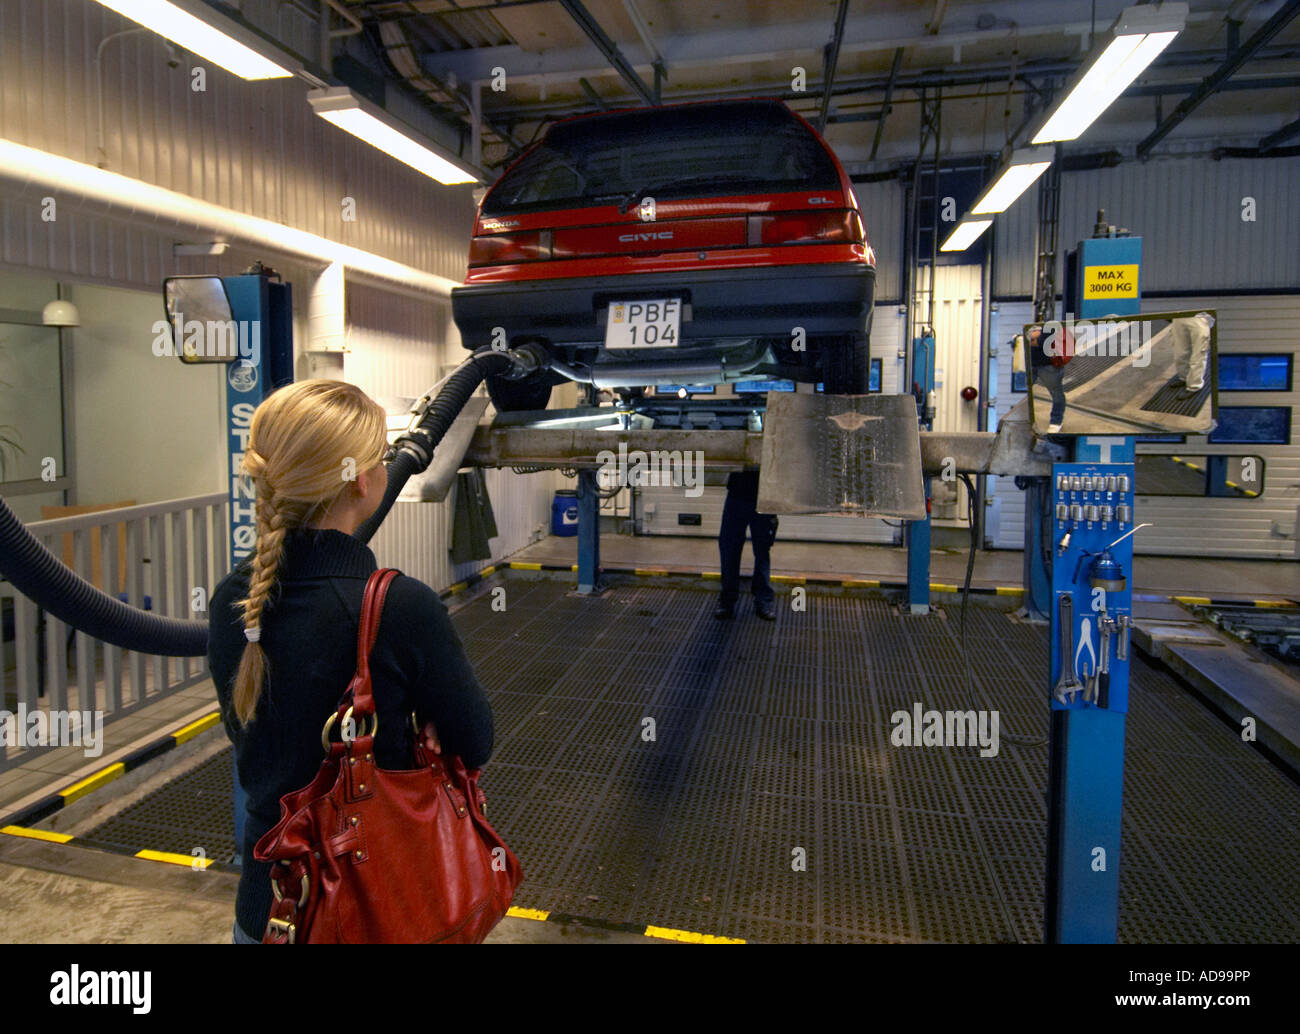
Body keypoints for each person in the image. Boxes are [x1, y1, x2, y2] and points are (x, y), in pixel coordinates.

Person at [207, 379, 494, 945]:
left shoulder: (233, 600)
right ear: (364, 481)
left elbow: (256, 738)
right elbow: (475, 739)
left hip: (269, 914)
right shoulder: (397, 605)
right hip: (371, 909)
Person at [715, 470, 778, 621]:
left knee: (762, 550)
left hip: (764, 496)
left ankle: (763, 600)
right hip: (737, 494)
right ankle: (727, 601)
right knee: (729, 549)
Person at [1171, 312, 1214, 400]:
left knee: (1198, 354)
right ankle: (1184, 377)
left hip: (1200, 316)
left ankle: (1194, 386)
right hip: (1178, 315)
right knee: (1180, 352)